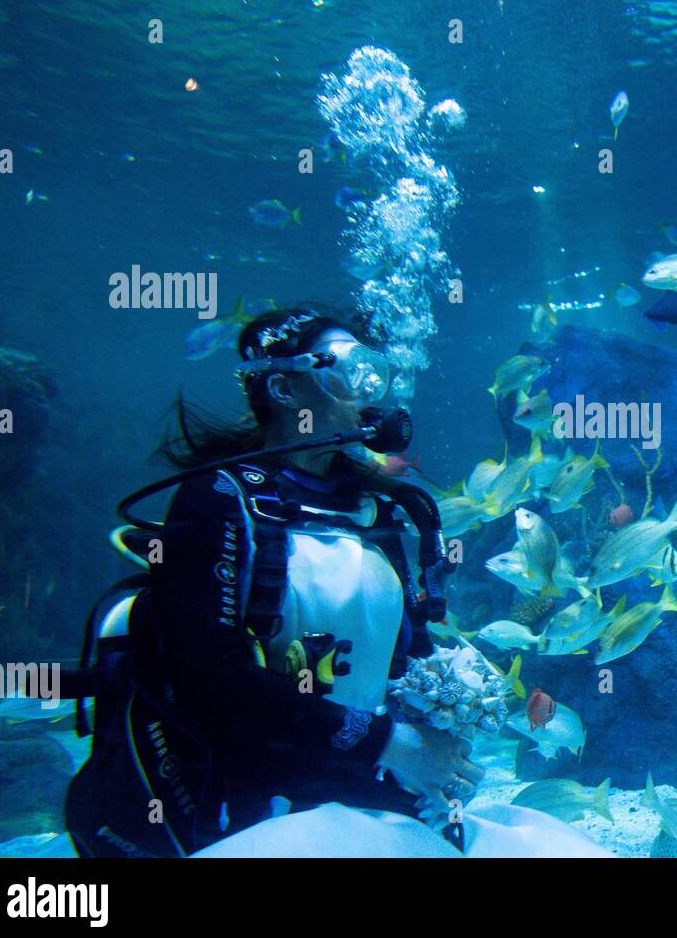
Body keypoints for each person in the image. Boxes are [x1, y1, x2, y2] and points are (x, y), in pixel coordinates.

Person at [65, 305, 482, 857]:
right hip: (227, 799)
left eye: (372, 374)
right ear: (284, 389)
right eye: (346, 371)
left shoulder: (377, 509)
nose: (365, 393)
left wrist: (439, 746)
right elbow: (209, 676)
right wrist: (390, 743)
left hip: (339, 788)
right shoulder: (219, 499)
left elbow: (406, 659)